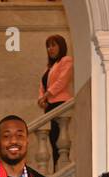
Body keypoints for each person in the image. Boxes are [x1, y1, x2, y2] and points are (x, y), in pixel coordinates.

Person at [37, 35, 74, 165]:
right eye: (48, 46)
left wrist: (47, 94)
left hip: (61, 103)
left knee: (59, 138)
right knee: (53, 138)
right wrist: (41, 98)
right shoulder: (50, 67)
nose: (50, 49)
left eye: (53, 45)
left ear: (61, 46)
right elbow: (42, 84)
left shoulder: (66, 60)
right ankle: (56, 167)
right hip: (50, 105)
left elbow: (61, 82)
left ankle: (60, 165)